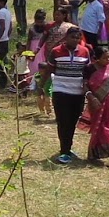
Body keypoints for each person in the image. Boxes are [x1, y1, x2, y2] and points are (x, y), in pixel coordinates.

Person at [43, 21, 91, 163]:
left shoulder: (85, 51)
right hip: (60, 91)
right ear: (66, 37)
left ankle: (67, 148)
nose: (75, 40)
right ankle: (64, 151)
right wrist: (42, 88)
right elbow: (49, 70)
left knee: (72, 122)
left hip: (78, 93)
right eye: (73, 37)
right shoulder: (56, 51)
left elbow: (87, 71)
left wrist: (87, 86)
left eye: (78, 38)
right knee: (63, 121)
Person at [82, 43, 109, 167]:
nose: (108, 60)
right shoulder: (89, 69)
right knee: (99, 127)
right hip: (98, 103)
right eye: (104, 58)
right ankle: (96, 154)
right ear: (96, 58)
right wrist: (91, 97)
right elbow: (84, 85)